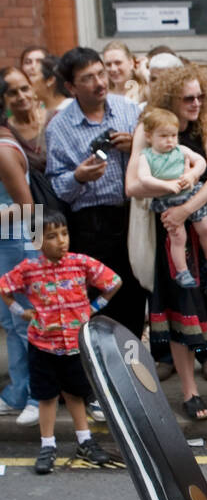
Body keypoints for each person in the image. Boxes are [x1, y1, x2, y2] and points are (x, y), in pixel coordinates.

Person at [126, 64, 207, 421]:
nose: (196, 102)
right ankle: (190, 392)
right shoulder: (149, 125)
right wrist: (168, 193)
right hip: (171, 232)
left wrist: (187, 205)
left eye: (201, 96)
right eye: (188, 97)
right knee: (180, 308)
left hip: (206, 224)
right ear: (170, 97)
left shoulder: (206, 120)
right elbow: (131, 184)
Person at [0, 211, 120, 472]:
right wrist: (22, 313)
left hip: (74, 346)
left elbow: (113, 281)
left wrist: (94, 307)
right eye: (52, 236)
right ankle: (47, 444)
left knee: (76, 394)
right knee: (46, 396)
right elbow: (4, 288)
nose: (61, 241)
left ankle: (85, 441)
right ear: (37, 241)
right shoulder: (29, 269)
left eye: (64, 233)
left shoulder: (80, 262)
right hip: (43, 345)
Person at [44, 47, 146, 340]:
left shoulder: (128, 110)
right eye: (88, 78)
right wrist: (78, 176)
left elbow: (156, 155)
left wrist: (136, 146)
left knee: (135, 294)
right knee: (100, 300)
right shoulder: (59, 128)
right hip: (91, 225)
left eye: (101, 73)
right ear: (71, 87)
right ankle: (101, 371)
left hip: (132, 216)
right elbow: (56, 186)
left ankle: (133, 361)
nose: (100, 82)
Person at [134, 108, 207, 287]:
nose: (170, 140)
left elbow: (201, 161)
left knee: (206, 228)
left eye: (173, 135)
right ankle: (182, 271)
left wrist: (192, 174)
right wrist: (167, 185)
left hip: (191, 195)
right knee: (178, 237)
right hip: (169, 200)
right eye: (163, 136)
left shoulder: (181, 150)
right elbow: (144, 178)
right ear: (149, 136)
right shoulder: (147, 156)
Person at [0, 127, 39, 425]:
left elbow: (27, 207)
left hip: (17, 245)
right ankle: (18, 392)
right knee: (11, 322)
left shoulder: (2, 150)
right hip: (11, 244)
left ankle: (36, 396)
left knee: (25, 323)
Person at [1, 66, 47, 173]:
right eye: (13, 93)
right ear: (3, 98)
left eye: (25, 89)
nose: (21, 97)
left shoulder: (53, 118)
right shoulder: (6, 133)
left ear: (32, 88)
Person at [31, 56, 71, 125]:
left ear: (50, 80)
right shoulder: (40, 113)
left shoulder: (72, 110)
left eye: (33, 75)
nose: (27, 81)